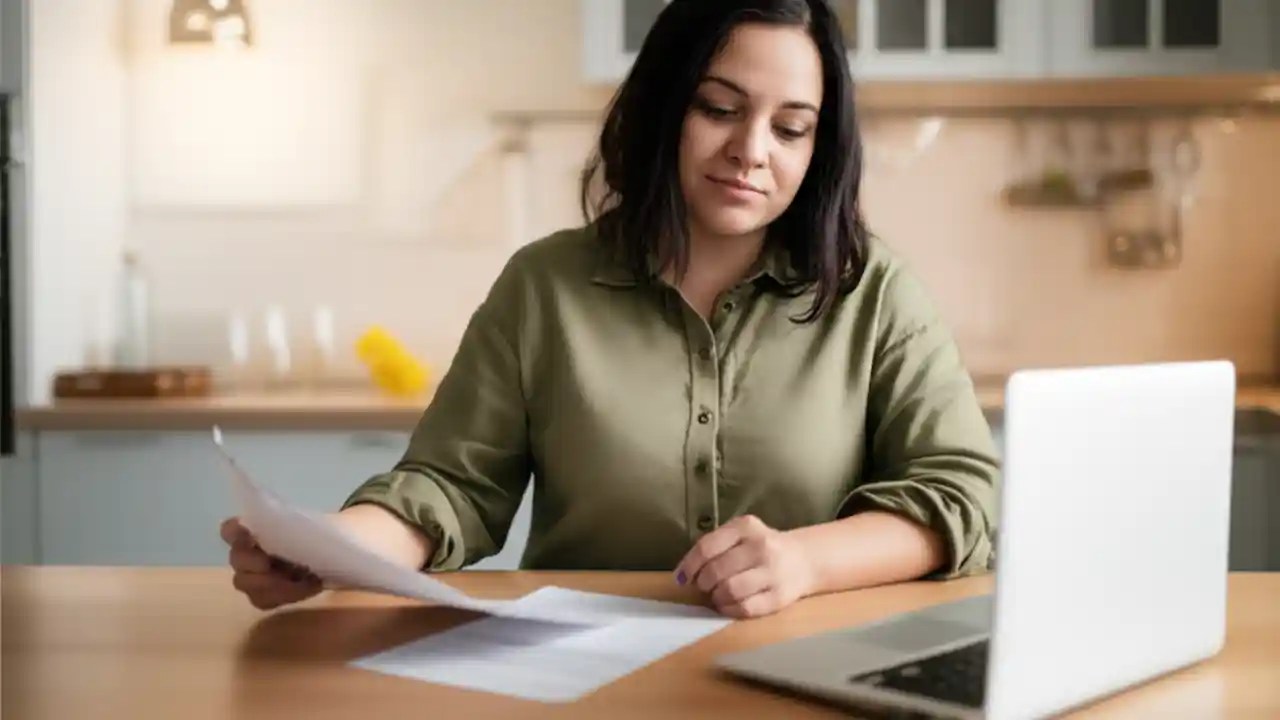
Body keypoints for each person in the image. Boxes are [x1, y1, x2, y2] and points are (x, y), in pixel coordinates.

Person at [220, 0, 999, 619]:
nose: (753, 149)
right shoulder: (545, 286)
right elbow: (450, 487)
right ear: (664, 107)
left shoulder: (875, 292)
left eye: (791, 128)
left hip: (805, 668)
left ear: (818, 148)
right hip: (575, 676)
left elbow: (964, 495)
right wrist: (325, 549)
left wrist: (806, 562)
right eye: (719, 109)